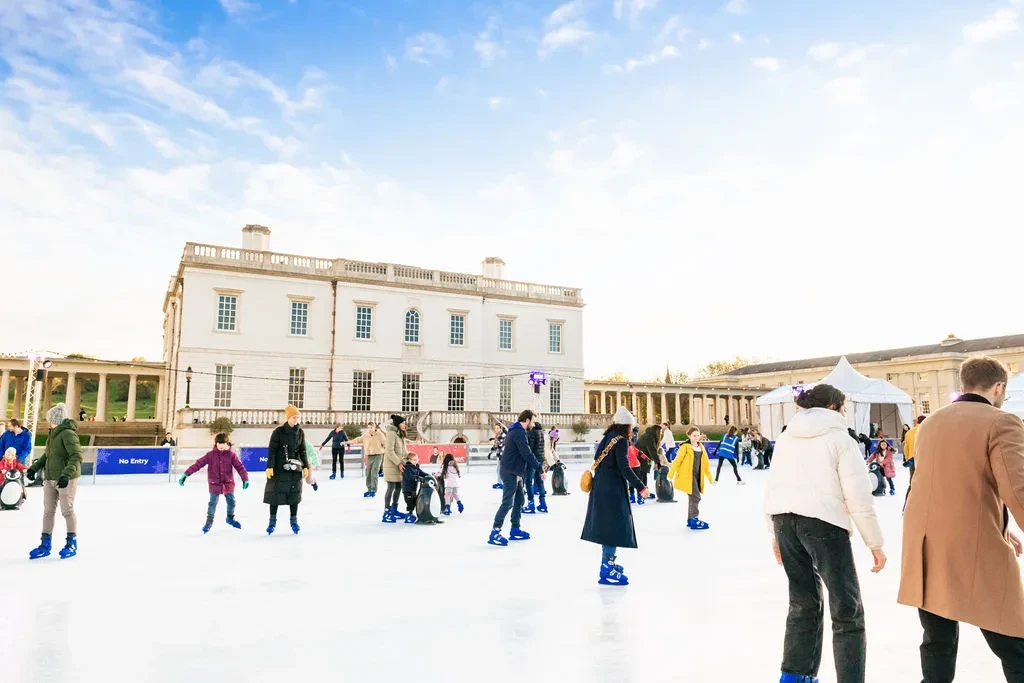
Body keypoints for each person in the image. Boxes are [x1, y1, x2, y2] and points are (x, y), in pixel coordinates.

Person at [898, 356, 1024, 681]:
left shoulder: (930, 423)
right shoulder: (1001, 421)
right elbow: (1017, 488)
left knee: (937, 639)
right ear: (999, 387)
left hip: (925, 544)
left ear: (962, 385)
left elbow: (937, 481)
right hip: (971, 547)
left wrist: (1002, 526)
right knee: (1014, 638)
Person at [764, 384, 885, 683]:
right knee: (847, 611)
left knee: (803, 602)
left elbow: (773, 487)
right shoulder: (839, 439)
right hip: (823, 524)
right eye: (843, 407)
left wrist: (774, 535)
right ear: (833, 406)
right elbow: (857, 496)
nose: (845, 413)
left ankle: (794, 676)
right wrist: (875, 543)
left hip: (785, 521)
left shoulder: (786, 437)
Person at [580, 407, 649, 585]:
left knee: (608, 528)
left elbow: (597, 458)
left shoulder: (607, 438)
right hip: (612, 491)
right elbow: (625, 468)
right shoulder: (621, 442)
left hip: (600, 488)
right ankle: (607, 567)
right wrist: (641, 487)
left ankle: (607, 563)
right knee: (613, 529)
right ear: (626, 426)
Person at [27, 404, 83, 560]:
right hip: (50, 477)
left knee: (67, 510)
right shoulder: (53, 434)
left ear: (55, 419)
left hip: (66, 479)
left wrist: (66, 475)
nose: (48, 421)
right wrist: (34, 468)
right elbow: (47, 456)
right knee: (48, 511)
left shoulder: (67, 434)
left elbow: (76, 456)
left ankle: (71, 543)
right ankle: (45, 544)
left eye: (49, 418)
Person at [488, 410, 543, 546]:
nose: (534, 424)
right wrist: (539, 468)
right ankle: (495, 532)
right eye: (533, 421)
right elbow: (527, 453)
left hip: (516, 471)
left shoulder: (517, 431)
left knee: (519, 500)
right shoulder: (518, 432)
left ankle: (515, 529)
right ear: (527, 420)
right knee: (508, 502)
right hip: (510, 471)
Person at [179, 432, 249, 533]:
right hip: (214, 483)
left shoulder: (231, 455)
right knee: (212, 503)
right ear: (216, 443)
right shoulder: (210, 455)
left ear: (227, 444)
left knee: (231, 502)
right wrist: (186, 474)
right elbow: (198, 464)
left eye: (223, 443)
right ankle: (209, 522)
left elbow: (240, 467)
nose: (221, 445)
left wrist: (245, 478)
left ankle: (230, 518)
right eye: (219, 443)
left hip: (228, 483)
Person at [263, 404, 309, 535]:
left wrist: (306, 466)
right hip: (279, 468)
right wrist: (270, 466)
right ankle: (272, 521)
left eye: (297, 417)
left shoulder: (300, 432)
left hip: (294, 469)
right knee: (275, 495)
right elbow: (271, 450)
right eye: (294, 417)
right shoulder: (278, 432)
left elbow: (302, 451)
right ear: (288, 417)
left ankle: (294, 521)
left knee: (294, 495)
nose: (296, 419)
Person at [668, 426, 713, 530]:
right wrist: (671, 474)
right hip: (688, 476)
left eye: (698, 435)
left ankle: (690, 520)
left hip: (697, 476)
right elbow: (677, 461)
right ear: (689, 436)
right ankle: (694, 519)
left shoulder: (701, 447)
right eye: (694, 436)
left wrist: (710, 478)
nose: (696, 437)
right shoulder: (685, 447)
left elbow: (705, 464)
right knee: (696, 497)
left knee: (692, 497)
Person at [382, 414, 410, 523]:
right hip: (391, 465)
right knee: (391, 487)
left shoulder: (400, 434)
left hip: (399, 465)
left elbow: (403, 451)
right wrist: (399, 462)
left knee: (399, 487)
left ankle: (394, 510)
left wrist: (411, 459)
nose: (405, 425)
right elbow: (389, 451)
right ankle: (386, 512)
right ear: (398, 424)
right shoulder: (391, 434)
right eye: (403, 423)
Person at [349, 422, 386, 498]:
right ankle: (369, 489)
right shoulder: (366, 435)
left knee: (374, 472)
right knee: (368, 473)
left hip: (378, 455)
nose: (370, 429)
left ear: (374, 427)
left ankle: (373, 490)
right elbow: (358, 439)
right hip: (369, 455)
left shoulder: (379, 434)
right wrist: (347, 442)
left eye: (371, 427)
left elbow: (385, 443)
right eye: (368, 427)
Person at [635, 424, 667, 503]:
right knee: (641, 476)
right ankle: (641, 495)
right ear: (656, 431)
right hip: (640, 459)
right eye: (660, 431)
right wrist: (658, 463)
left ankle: (645, 493)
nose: (661, 433)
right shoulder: (649, 437)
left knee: (644, 475)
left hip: (645, 459)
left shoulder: (649, 436)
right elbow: (652, 451)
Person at [522, 421, 549, 514]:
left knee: (528, 481)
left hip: (533, 460)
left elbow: (530, 448)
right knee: (539, 481)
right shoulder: (541, 433)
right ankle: (543, 503)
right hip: (541, 459)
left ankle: (531, 503)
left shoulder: (532, 433)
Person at [488, 422, 508, 490]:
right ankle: (499, 483)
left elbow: (502, 445)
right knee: (498, 470)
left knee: (501, 470)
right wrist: (491, 452)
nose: (496, 429)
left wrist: (495, 447)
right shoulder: (497, 435)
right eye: (495, 428)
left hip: (503, 455)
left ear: (500, 428)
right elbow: (496, 444)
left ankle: (503, 483)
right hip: (499, 455)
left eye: (497, 428)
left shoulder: (503, 435)